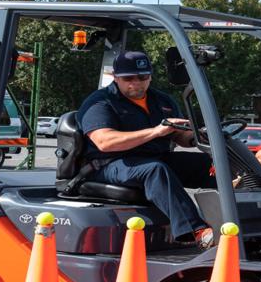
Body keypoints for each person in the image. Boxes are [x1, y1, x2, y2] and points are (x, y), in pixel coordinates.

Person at [79, 50, 216, 249]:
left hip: (156, 157)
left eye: (142, 77)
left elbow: (178, 136)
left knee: (210, 163)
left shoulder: (162, 101)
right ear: (115, 77)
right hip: (110, 164)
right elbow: (104, 142)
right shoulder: (100, 102)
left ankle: (243, 216)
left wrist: (196, 137)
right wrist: (155, 132)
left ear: (150, 76)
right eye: (128, 78)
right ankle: (198, 231)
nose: (136, 82)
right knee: (154, 170)